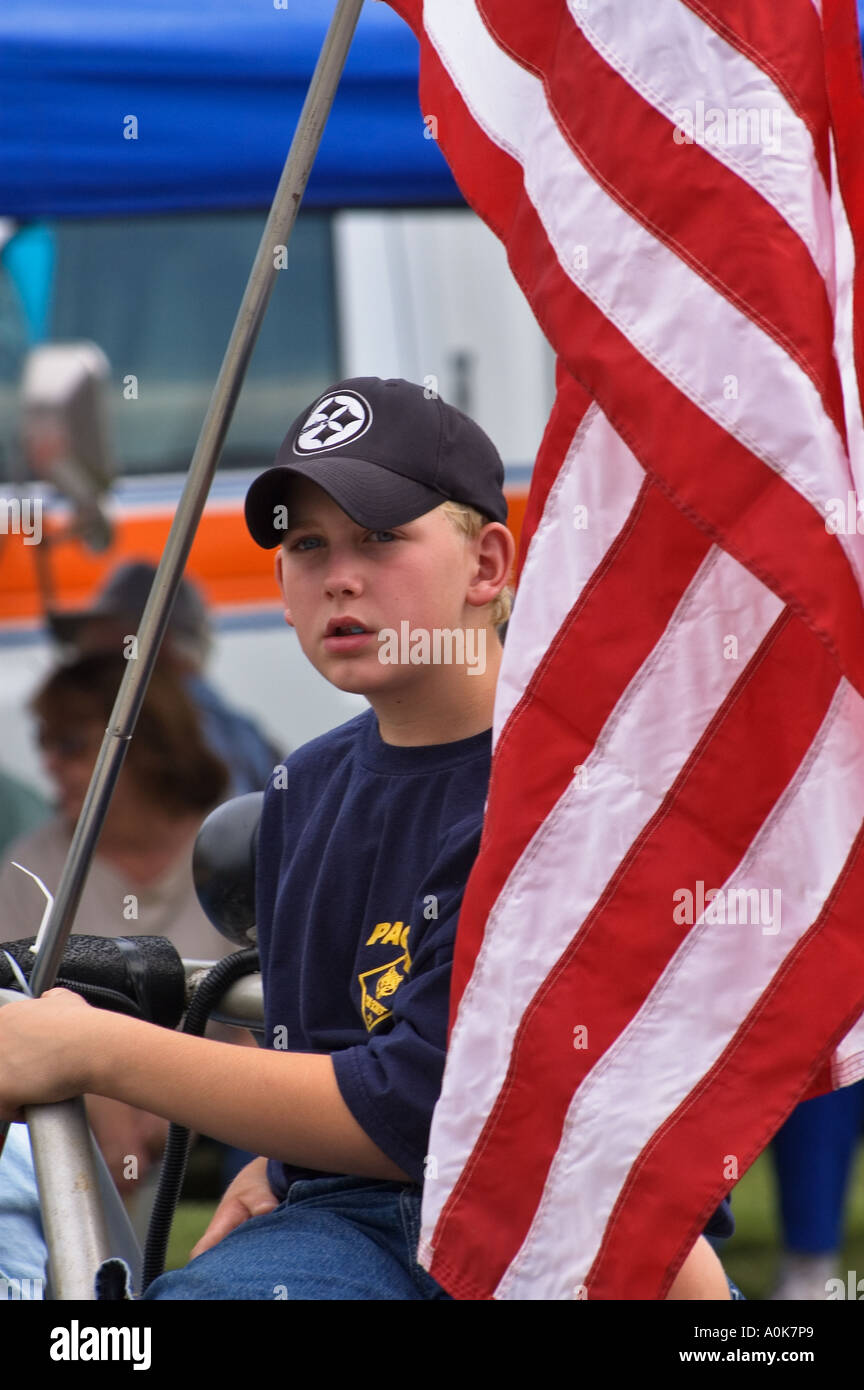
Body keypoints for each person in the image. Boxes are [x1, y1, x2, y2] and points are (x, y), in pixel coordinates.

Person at [0, 377, 736, 1299]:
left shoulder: (570, 795)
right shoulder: (300, 789)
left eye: (381, 537)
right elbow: (316, 1061)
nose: (339, 574)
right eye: (307, 545)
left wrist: (93, 1047)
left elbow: (422, 1106)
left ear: (488, 565)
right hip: (348, 1217)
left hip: (555, 1223)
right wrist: (275, 1163)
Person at [0, 652, 235, 1218]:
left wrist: (173, 1080)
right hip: (75, 1090)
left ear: (145, 747)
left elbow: (275, 1015)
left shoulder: (232, 849)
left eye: (70, 745)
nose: (49, 765)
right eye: (45, 744)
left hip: (229, 1091)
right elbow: (13, 1011)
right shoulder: (30, 866)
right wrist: (110, 1089)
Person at [47, 561, 281, 799]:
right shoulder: (244, 733)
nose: (84, 657)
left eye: (113, 644)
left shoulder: (179, 730)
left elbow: (215, 827)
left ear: (162, 642)